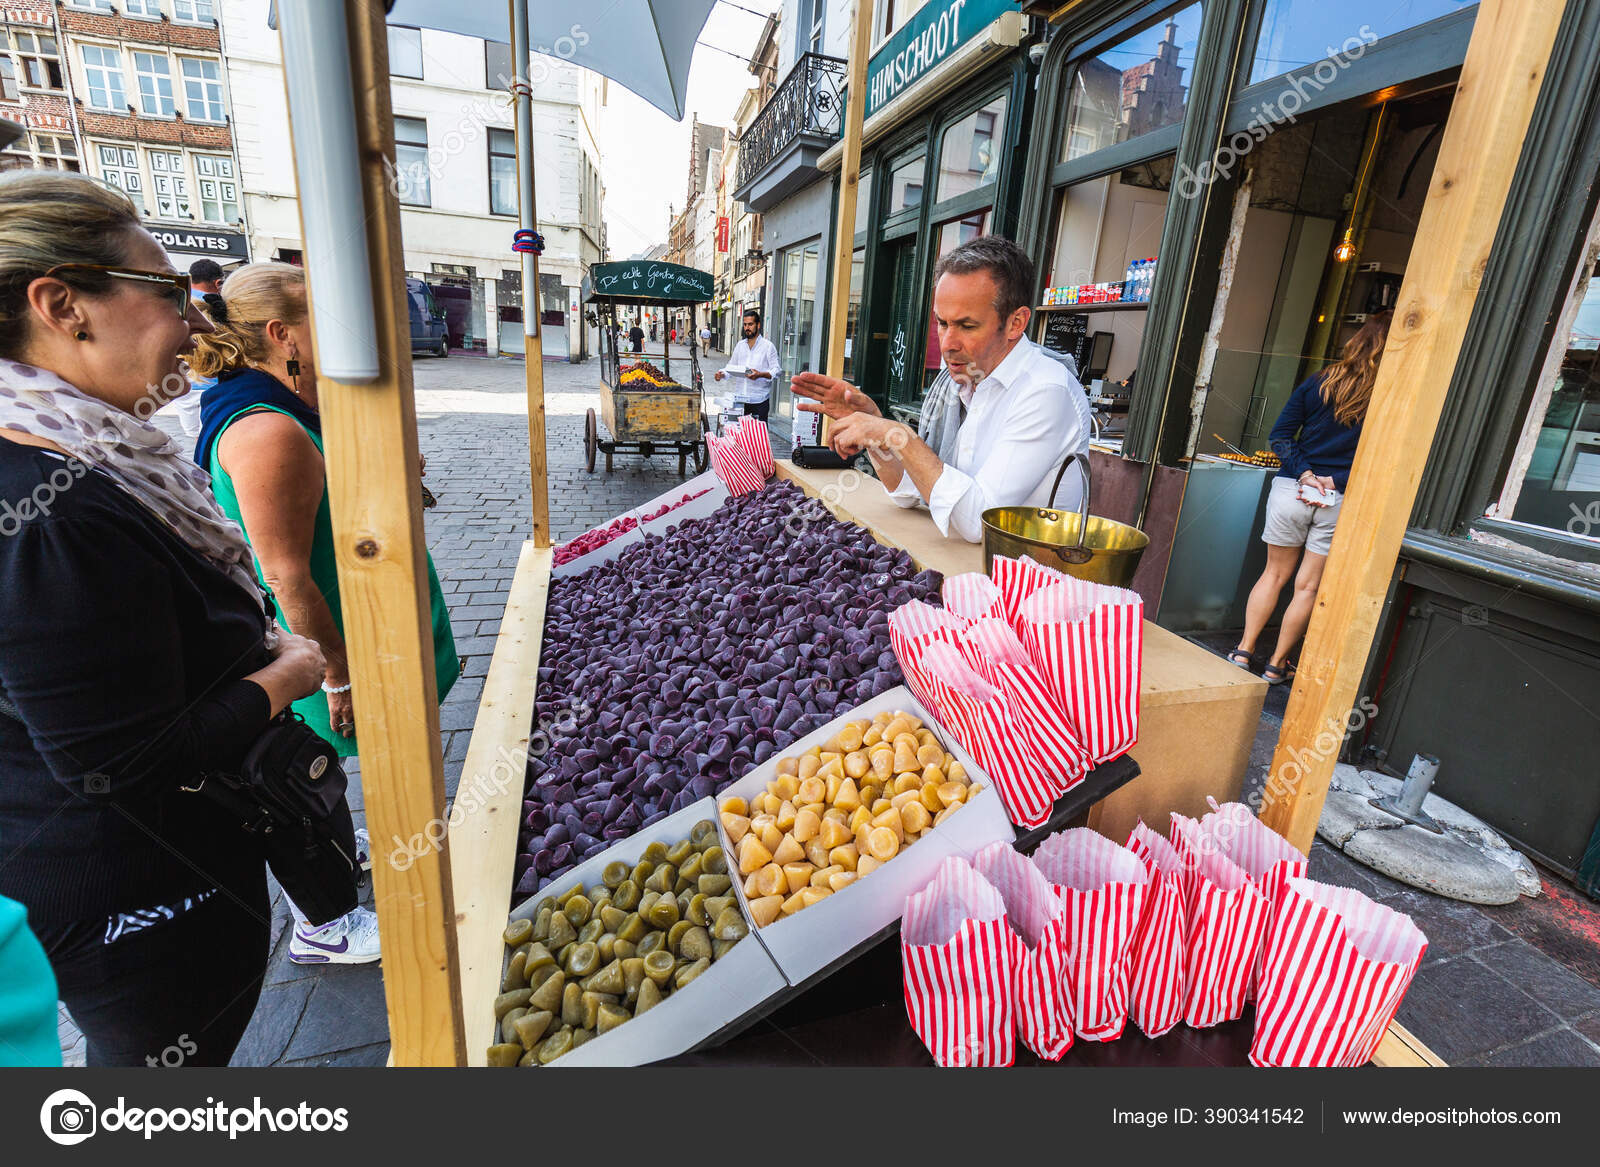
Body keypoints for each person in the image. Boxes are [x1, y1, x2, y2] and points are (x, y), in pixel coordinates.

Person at [0, 171, 330, 1065]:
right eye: (169, 292)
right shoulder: (51, 512)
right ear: (62, 304)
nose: (193, 321)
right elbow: (121, 765)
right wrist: (288, 673)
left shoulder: (83, 451)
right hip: (131, 901)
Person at [190, 262, 460, 963]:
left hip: (356, 624)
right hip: (328, 636)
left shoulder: (294, 405)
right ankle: (324, 923)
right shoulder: (266, 430)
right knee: (306, 765)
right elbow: (283, 571)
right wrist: (335, 674)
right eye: (324, 318)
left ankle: (341, 855)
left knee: (324, 768)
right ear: (284, 335)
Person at [793, 234, 1092, 544]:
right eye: (942, 323)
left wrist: (898, 436)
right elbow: (913, 492)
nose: (947, 344)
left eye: (967, 325)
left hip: (1025, 582)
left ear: (1016, 323)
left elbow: (980, 521)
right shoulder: (969, 382)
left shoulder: (1045, 391)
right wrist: (874, 429)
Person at [1230, 310, 1391, 683]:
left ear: (1358, 339)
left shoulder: (1318, 382)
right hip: (1339, 498)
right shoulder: (1389, 397)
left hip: (1293, 489)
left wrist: (1304, 474)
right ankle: (1276, 665)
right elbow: (1385, 458)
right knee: (1308, 586)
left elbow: (1280, 436)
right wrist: (1335, 480)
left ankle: (1243, 651)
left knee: (1272, 575)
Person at [172, 258, 225, 438]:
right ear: (218, 282)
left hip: (182, 383)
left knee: (197, 438)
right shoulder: (218, 306)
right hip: (213, 382)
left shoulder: (175, 301)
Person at [715, 308, 780, 422]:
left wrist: (760, 374)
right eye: (745, 325)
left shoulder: (768, 346)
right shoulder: (740, 345)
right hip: (740, 401)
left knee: (757, 437)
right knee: (740, 436)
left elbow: (777, 370)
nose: (747, 328)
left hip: (759, 401)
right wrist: (722, 374)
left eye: (750, 324)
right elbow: (731, 366)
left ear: (758, 325)